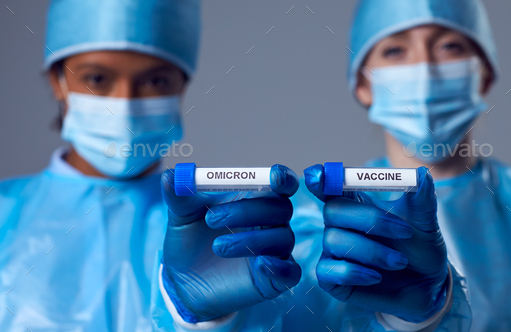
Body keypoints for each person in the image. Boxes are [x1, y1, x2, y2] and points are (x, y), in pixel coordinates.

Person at [0, 0, 301, 331]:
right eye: (97, 78)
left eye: (155, 81)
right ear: (57, 80)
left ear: (182, 85)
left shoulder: (230, 229)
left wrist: (210, 319)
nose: (124, 104)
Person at [297, 0, 511, 331]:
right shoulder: (309, 227)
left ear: (484, 73)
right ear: (364, 85)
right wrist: (228, 317)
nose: (425, 69)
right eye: (395, 51)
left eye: (449, 46)